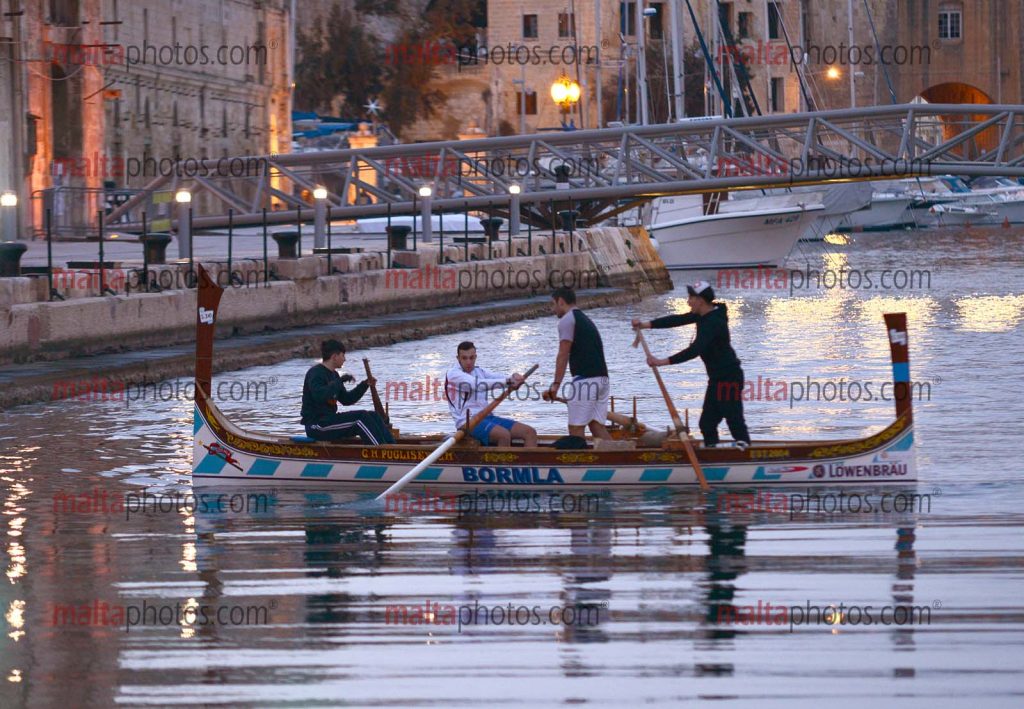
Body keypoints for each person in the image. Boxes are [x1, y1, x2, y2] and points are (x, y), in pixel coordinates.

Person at [632, 280, 751, 448]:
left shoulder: (713, 322)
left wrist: (661, 362)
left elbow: (694, 350)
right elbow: (677, 320)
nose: (688, 302)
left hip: (729, 378)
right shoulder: (703, 315)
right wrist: (645, 325)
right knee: (707, 424)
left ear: (700, 300)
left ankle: (745, 452)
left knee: (734, 419)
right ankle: (712, 455)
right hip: (717, 378)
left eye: (691, 298)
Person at [544, 287, 612, 440]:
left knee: (575, 428)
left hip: (585, 381)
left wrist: (555, 385)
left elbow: (563, 354)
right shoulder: (584, 318)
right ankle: (616, 458)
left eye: (553, 304)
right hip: (602, 379)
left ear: (561, 301)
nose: (552, 309)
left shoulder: (567, 320)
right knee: (596, 425)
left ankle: (576, 461)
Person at [300, 339, 395, 445]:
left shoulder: (334, 375)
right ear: (334, 357)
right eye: (343, 355)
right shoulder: (315, 373)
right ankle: (381, 452)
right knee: (361, 418)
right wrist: (340, 381)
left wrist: (365, 385)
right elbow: (320, 395)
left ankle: (392, 447)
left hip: (329, 421)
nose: (344, 359)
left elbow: (347, 400)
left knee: (373, 416)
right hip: (316, 426)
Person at [444, 341, 537, 446]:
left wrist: (514, 377)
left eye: (472, 358)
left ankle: (528, 462)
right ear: (458, 358)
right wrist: (509, 382)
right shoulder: (454, 374)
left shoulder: (479, 371)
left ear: (475, 357)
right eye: (464, 358)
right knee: (503, 435)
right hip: (467, 423)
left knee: (530, 432)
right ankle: (502, 462)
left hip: (487, 417)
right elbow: (477, 384)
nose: (469, 362)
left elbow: (498, 378)